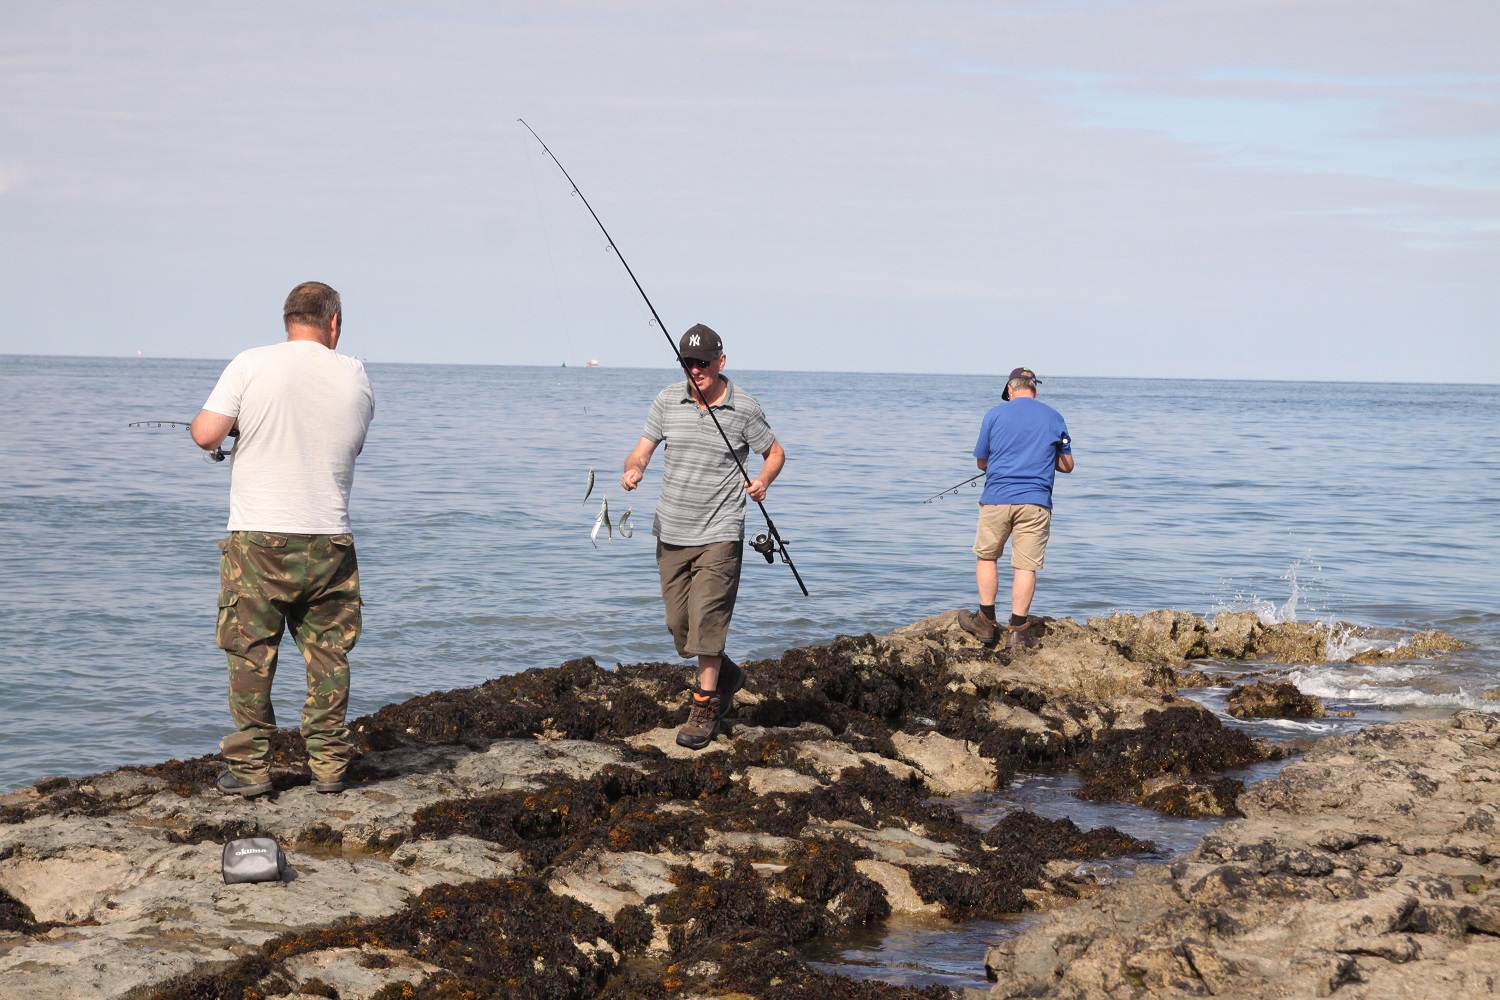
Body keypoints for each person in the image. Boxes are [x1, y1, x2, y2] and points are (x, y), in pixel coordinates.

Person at [189, 281, 375, 797]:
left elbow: (206, 433)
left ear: (288, 320)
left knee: (251, 653)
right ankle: (331, 767)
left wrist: (229, 431)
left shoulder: (250, 363)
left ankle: (250, 772)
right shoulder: (355, 374)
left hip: (259, 540)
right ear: (333, 322)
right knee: (329, 655)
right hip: (330, 541)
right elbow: (349, 444)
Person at [621, 324, 785, 750]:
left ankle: (705, 705)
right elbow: (641, 448)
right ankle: (728, 674)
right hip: (671, 529)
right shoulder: (666, 401)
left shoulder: (744, 408)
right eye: (688, 362)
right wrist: (635, 467)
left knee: (708, 620)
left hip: (721, 530)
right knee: (681, 628)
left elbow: (775, 452)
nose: (695, 370)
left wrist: (764, 479)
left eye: (703, 362)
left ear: (721, 362)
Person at [958, 367, 1073, 648]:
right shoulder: (1053, 416)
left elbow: (981, 463)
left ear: (1010, 389)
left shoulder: (994, 415)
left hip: (997, 497)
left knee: (987, 557)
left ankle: (985, 622)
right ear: (1034, 388)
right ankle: (1018, 631)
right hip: (1035, 502)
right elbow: (1067, 466)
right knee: (1025, 566)